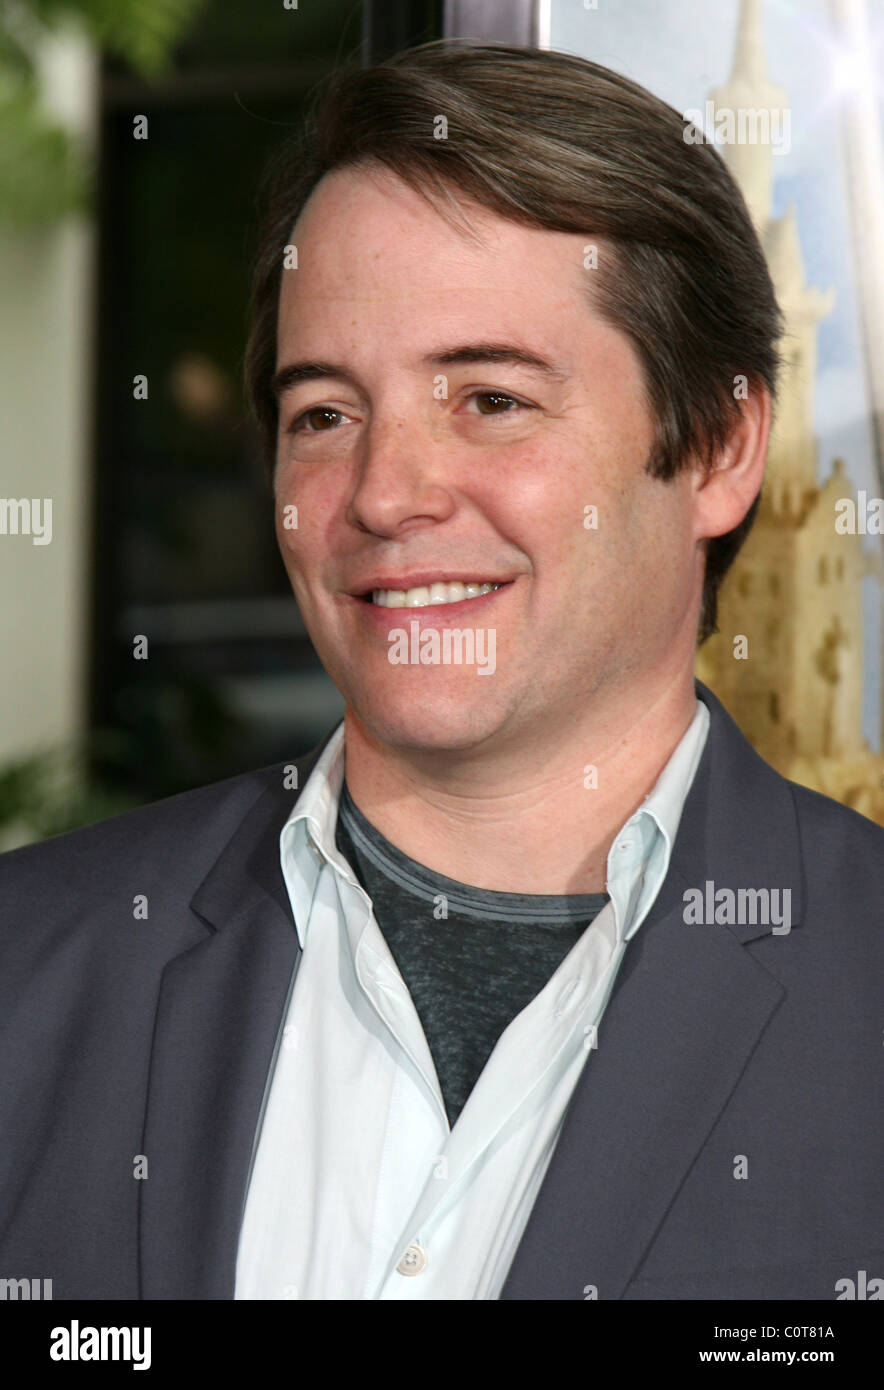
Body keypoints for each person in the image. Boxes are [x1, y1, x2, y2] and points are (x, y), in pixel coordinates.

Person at [1, 41, 881, 1302]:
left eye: (489, 398)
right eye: (324, 414)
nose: (384, 493)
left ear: (719, 447)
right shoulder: (26, 971)